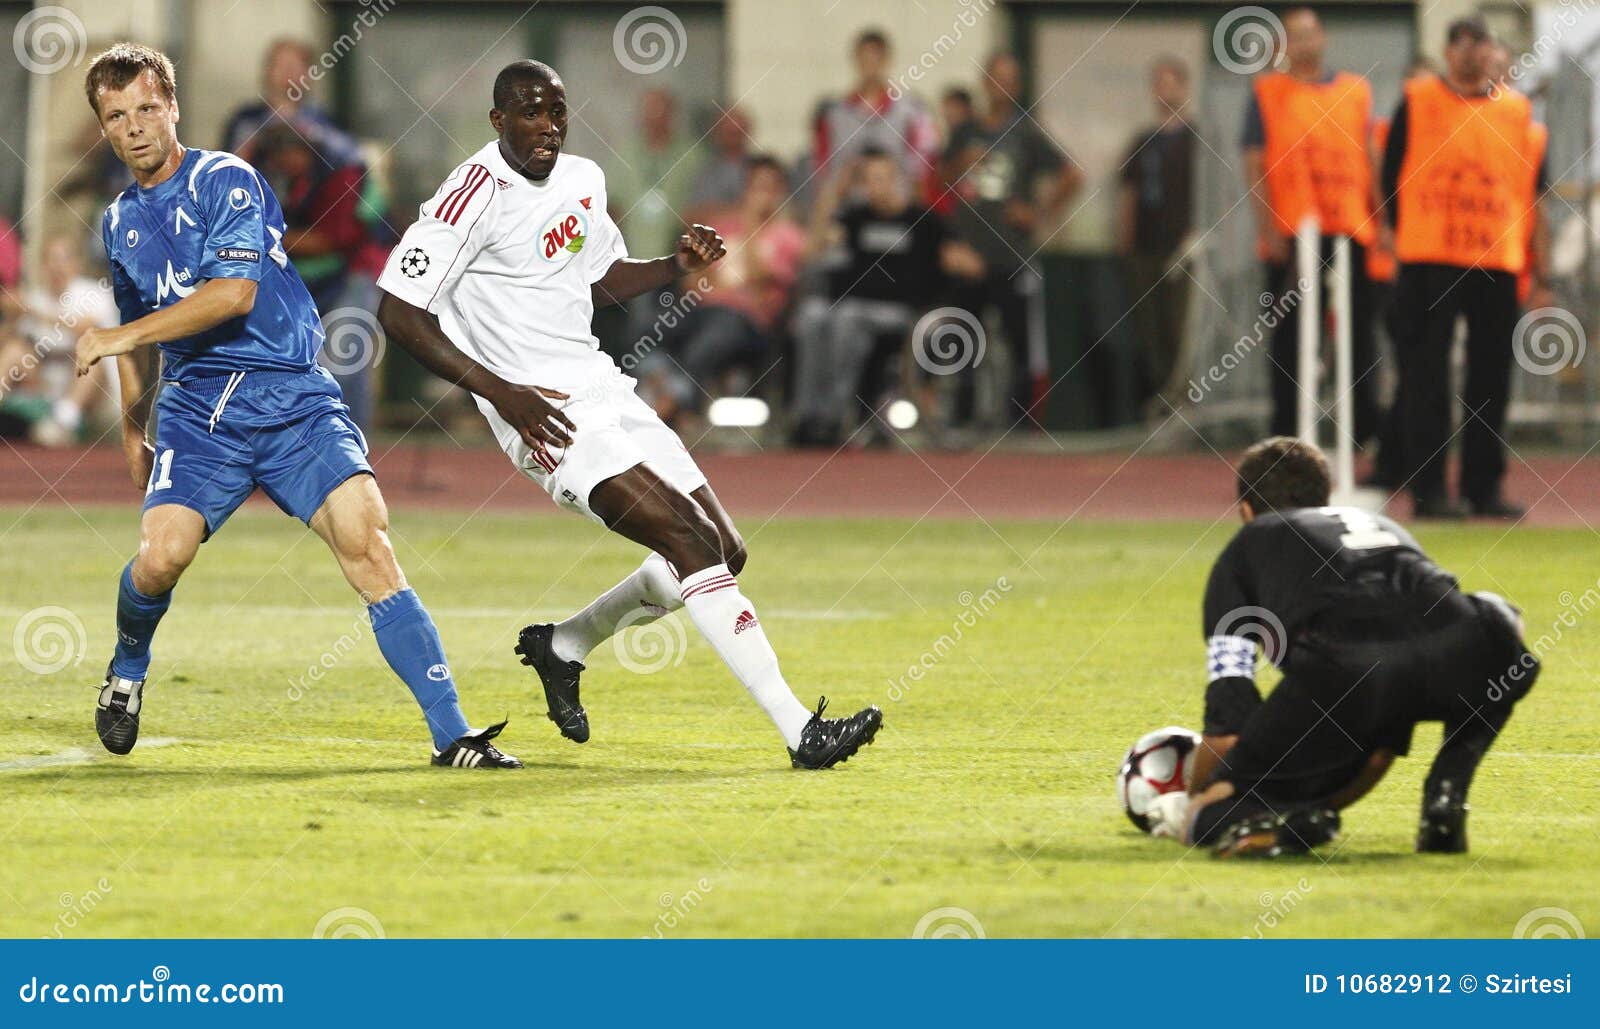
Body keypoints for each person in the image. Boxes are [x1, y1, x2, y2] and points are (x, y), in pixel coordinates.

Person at [375, 60, 884, 770]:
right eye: (528, 112)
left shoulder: (583, 178)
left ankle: (563, 645)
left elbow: (600, 278)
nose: (546, 126)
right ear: (498, 122)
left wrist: (673, 266)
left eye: (556, 110)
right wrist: (503, 393)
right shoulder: (471, 194)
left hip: (602, 387)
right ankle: (802, 731)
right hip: (543, 415)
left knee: (723, 549)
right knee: (688, 542)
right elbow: (398, 312)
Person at [73, 43, 516, 769]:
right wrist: (132, 429)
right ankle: (127, 669)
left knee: (369, 545)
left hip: (292, 399)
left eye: (148, 107)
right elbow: (134, 337)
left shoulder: (227, 180)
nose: (135, 126)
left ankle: (453, 734)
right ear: (104, 127)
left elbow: (232, 295)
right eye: (116, 115)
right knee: (160, 558)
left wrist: (120, 335)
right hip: (198, 412)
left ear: (173, 107)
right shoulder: (119, 222)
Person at [1143, 437, 1538, 856]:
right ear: (1325, 498)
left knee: (1209, 814)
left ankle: (1272, 824)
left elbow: (1228, 727)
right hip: (1477, 650)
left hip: (1350, 668)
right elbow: (1381, 751)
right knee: (1497, 618)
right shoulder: (1383, 526)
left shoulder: (1244, 549)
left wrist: (1196, 800)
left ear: (1245, 512)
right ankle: (1446, 792)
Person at [1381, 19, 1548, 519]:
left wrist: (1539, 268)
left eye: (1483, 46)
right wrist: (1393, 233)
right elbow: (1388, 173)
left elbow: (1531, 192)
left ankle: (1483, 485)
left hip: (1495, 260)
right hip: (1428, 258)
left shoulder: (1518, 113)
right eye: (1464, 45)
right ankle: (1429, 489)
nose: (1475, 55)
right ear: (1448, 52)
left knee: (1491, 376)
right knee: (1426, 377)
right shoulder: (1417, 101)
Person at [1242, 7, 1382, 445]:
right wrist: (1267, 229)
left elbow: (1370, 159)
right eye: (1294, 36)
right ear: (1283, 46)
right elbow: (1254, 165)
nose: (1304, 43)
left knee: (1358, 336)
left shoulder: (1356, 90)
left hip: (1350, 229)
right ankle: (1287, 433)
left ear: (1323, 39)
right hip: (1292, 233)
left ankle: (1361, 431)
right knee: (1289, 338)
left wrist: (1385, 223)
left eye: (1310, 34)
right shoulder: (1267, 93)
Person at [943, 51, 1082, 426]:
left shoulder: (1025, 131)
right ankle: (962, 417)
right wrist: (961, 165)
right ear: (985, 82)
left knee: (1018, 342)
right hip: (970, 253)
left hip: (1010, 254)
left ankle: (1020, 422)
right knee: (963, 338)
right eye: (996, 78)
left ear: (1017, 86)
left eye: (1010, 79)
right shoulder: (965, 132)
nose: (1002, 86)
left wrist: (1039, 213)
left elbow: (1071, 174)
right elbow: (940, 184)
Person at [792, 149, 948, 445]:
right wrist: (833, 193)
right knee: (811, 314)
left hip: (899, 312)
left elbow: (932, 275)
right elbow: (812, 254)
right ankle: (807, 414)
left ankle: (836, 416)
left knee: (847, 318)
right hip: (852, 307)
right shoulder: (855, 218)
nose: (877, 186)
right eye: (869, 180)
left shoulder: (922, 221)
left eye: (883, 179)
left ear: (898, 180)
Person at [645, 155, 805, 427]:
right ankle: (665, 399)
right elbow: (693, 279)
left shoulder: (788, 236)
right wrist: (713, 283)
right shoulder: (723, 227)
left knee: (706, 344)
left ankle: (674, 410)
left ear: (780, 193)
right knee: (648, 328)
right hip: (703, 309)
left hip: (748, 323)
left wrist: (752, 224)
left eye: (768, 188)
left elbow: (758, 277)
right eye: (756, 187)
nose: (760, 195)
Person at [1118, 56, 1200, 414]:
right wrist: (1127, 241)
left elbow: (1211, 194)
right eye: (1160, 83)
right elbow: (1129, 192)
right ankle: (1162, 396)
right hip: (1146, 248)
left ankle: (1185, 395)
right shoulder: (1142, 141)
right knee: (1150, 328)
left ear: (1184, 87)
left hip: (1183, 248)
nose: (1166, 91)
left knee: (1180, 324)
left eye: (1172, 83)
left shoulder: (1198, 139)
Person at [2, 235, 121, 445]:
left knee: (91, 361)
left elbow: (86, 329)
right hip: (47, 386)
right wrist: (10, 316)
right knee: (14, 350)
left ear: (76, 263)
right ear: (42, 265)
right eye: (51, 260)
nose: (57, 267)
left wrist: (31, 310)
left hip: (94, 394)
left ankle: (64, 422)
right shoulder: (36, 296)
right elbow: (14, 343)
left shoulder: (95, 293)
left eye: (63, 259)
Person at [813, 29, 940, 198]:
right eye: (865, 59)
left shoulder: (912, 111)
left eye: (876, 58)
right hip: (849, 212)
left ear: (887, 60)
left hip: (897, 214)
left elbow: (922, 172)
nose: (870, 65)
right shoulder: (833, 115)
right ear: (855, 59)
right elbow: (824, 173)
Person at [687, 106, 753, 213]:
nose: (734, 139)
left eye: (738, 132)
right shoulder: (705, 171)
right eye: (730, 133)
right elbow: (695, 213)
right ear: (717, 133)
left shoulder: (760, 168)